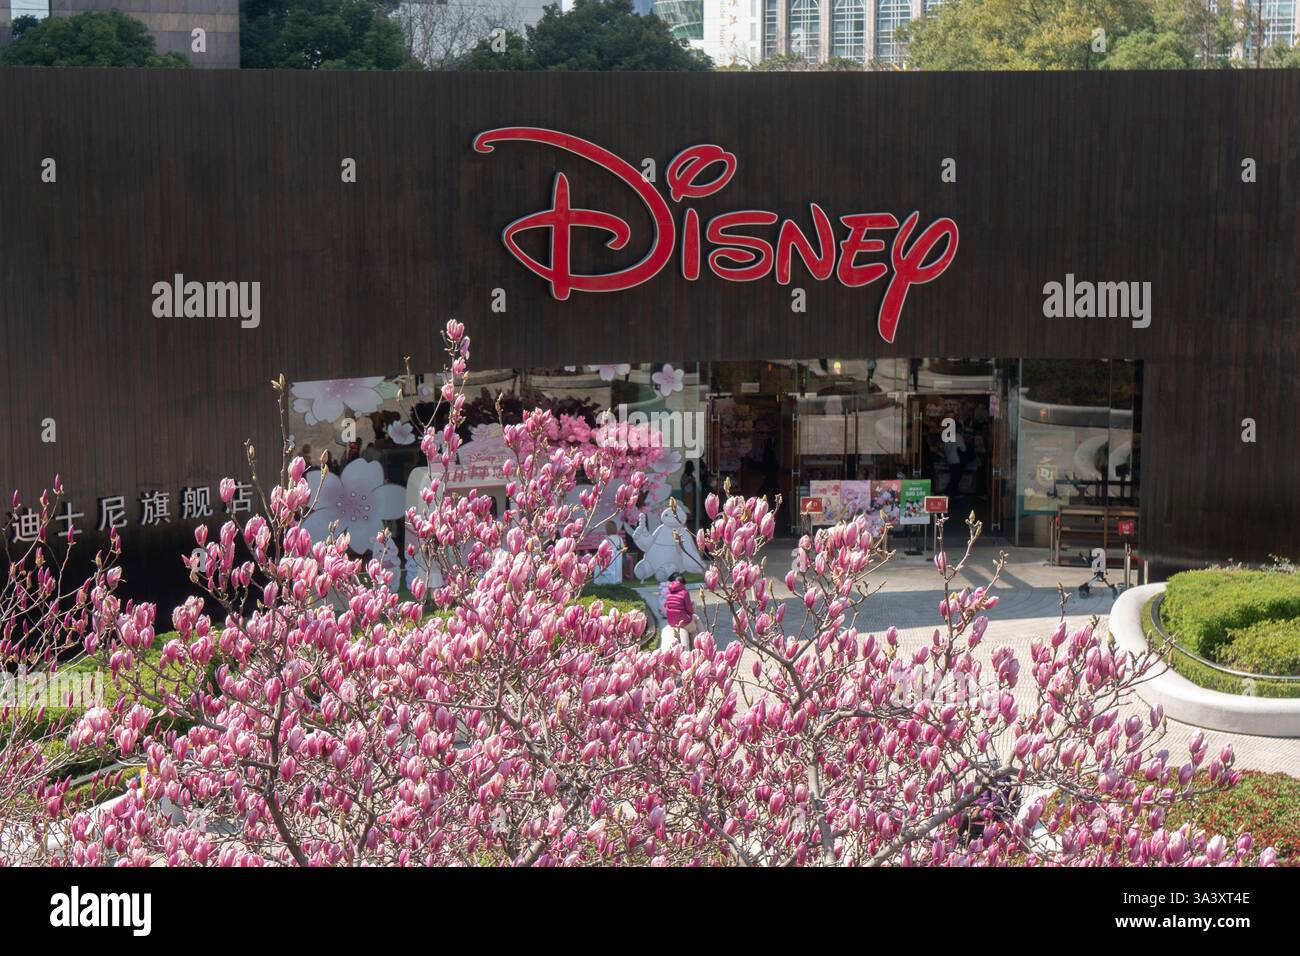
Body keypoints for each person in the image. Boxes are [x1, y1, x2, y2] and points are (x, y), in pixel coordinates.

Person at [661, 571, 699, 649]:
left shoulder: (668, 592)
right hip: (683, 622)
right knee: (694, 630)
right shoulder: (684, 592)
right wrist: (691, 612)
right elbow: (689, 608)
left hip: (671, 622)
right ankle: (695, 648)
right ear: (683, 583)